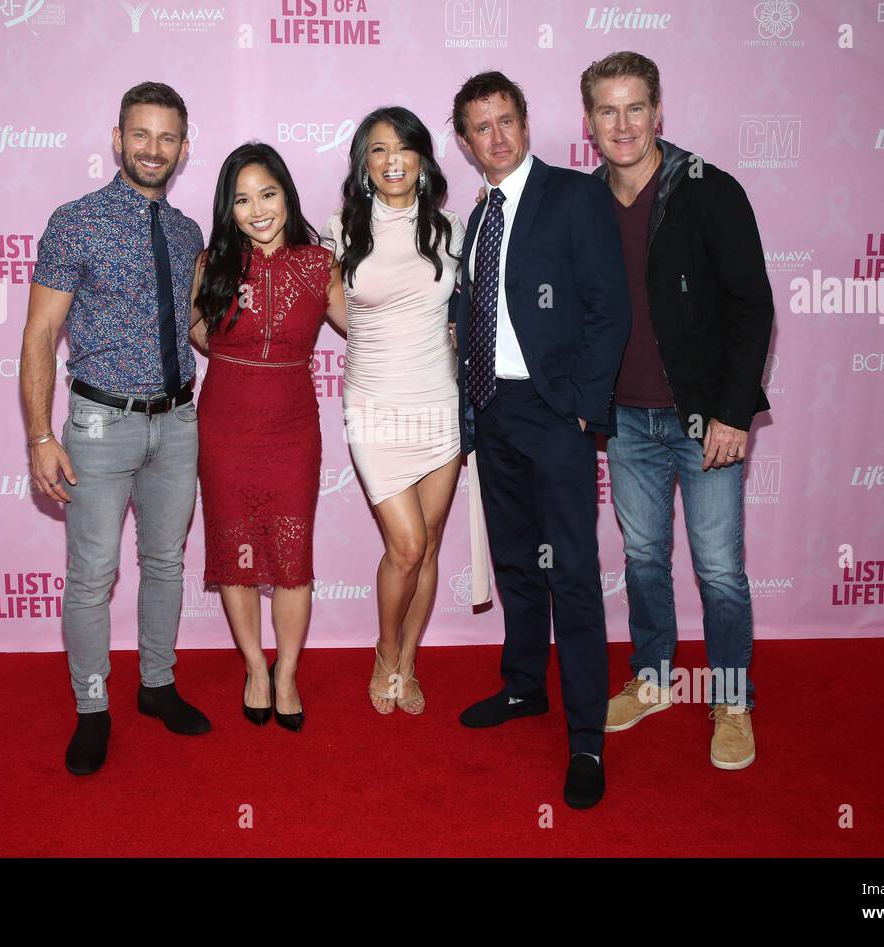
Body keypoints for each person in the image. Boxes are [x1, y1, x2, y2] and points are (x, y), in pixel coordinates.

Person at [583, 51, 773, 770]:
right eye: (608, 110)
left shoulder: (708, 189)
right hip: (626, 421)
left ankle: (731, 699)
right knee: (642, 558)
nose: (623, 124)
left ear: (658, 111)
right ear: (590, 121)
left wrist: (732, 412)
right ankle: (654, 678)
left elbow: (753, 307)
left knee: (719, 569)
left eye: (635, 107)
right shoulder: (584, 202)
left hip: (704, 422)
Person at [450, 71, 631, 809]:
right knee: (517, 562)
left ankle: (587, 736)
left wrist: (584, 410)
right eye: (481, 127)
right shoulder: (479, 213)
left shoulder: (574, 195)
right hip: (493, 411)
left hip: (555, 416)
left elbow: (610, 308)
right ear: (466, 142)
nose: (496, 137)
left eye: (506, 121)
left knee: (574, 575)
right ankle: (525, 686)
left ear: (525, 124)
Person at [21, 81, 210, 777]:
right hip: (100, 424)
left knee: (165, 564)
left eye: (167, 137)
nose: (152, 149)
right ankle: (92, 706)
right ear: (117, 139)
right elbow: (40, 334)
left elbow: (196, 329)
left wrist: (261, 331)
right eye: (141, 134)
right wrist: (40, 436)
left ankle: (157, 684)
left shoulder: (189, 233)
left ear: (183, 149)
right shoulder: (75, 222)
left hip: (179, 421)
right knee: (92, 574)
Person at [190, 142, 346, 732]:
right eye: (242, 200)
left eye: (268, 194)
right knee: (234, 555)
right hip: (225, 427)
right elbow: (196, 330)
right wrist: (236, 356)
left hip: (292, 428)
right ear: (228, 209)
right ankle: (256, 667)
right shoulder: (212, 263)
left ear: (287, 195)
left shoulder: (319, 263)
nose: (258, 210)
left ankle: (287, 673)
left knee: (291, 558)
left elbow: (363, 327)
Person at [322, 106, 466, 716]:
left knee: (428, 547)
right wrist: (375, 338)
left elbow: (472, 307)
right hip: (375, 403)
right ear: (365, 163)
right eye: (378, 150)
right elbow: (332, 305)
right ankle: (385, 650)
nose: (392, 160)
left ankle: (408, 662)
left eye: (403, 148)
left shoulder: (451, 229)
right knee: (405, 546)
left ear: (422, 159)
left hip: (438, 402)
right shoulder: (340, 231)